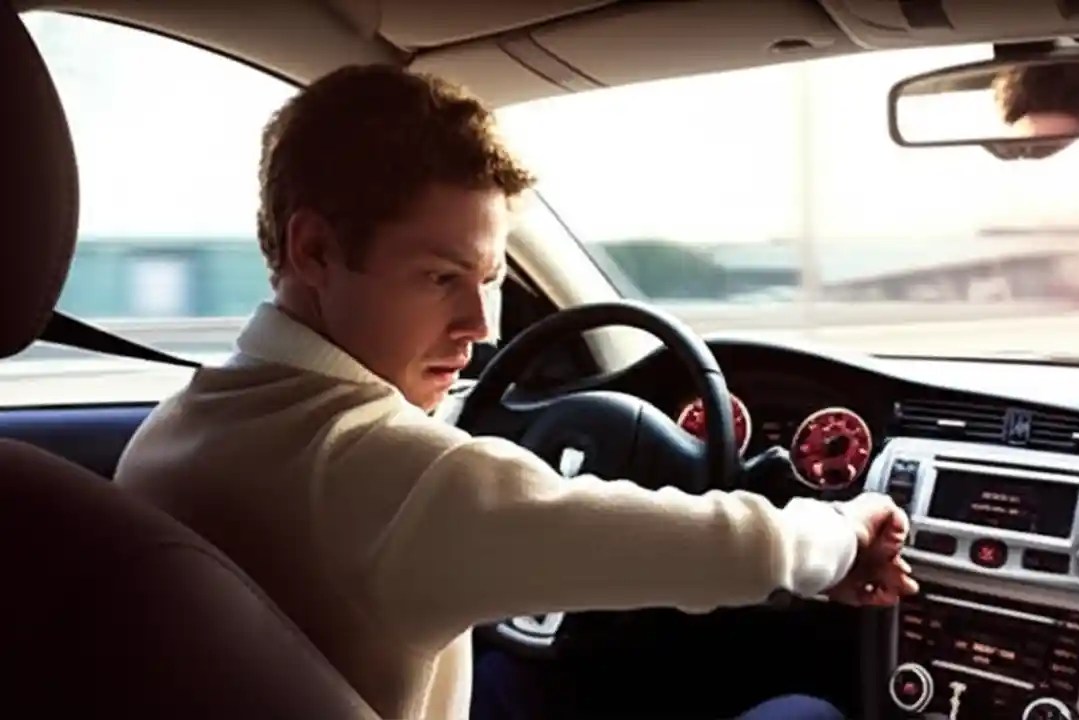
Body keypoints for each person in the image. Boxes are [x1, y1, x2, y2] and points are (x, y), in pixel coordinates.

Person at [114, 64, 917, 720]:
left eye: (491, 281)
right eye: (440, 278)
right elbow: (709, 545)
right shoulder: (388, 473)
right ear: (315, 249)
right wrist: (843, 532)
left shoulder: (174, 429)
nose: (480, 326)